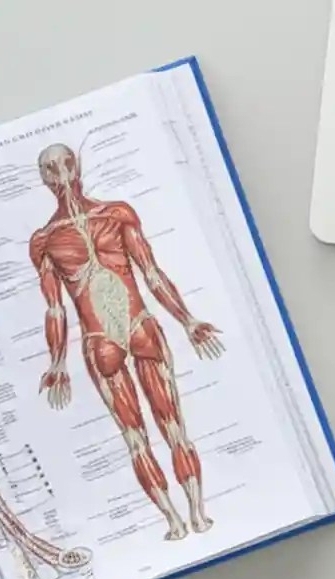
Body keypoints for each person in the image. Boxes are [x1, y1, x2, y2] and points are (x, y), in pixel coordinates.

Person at [29, 143, 225, 541]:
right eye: (55, 168)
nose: (63, 174)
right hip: (131, 329)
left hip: (106, 339)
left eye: (64, 164)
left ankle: (179, 520)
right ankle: (193, 516)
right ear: (47, 178)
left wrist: (188, 320)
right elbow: (146, 275)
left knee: (144, 439)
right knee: (163, 432)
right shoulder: (88, 224)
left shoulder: (53, 236)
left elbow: (59, 309)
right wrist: (57, 362)